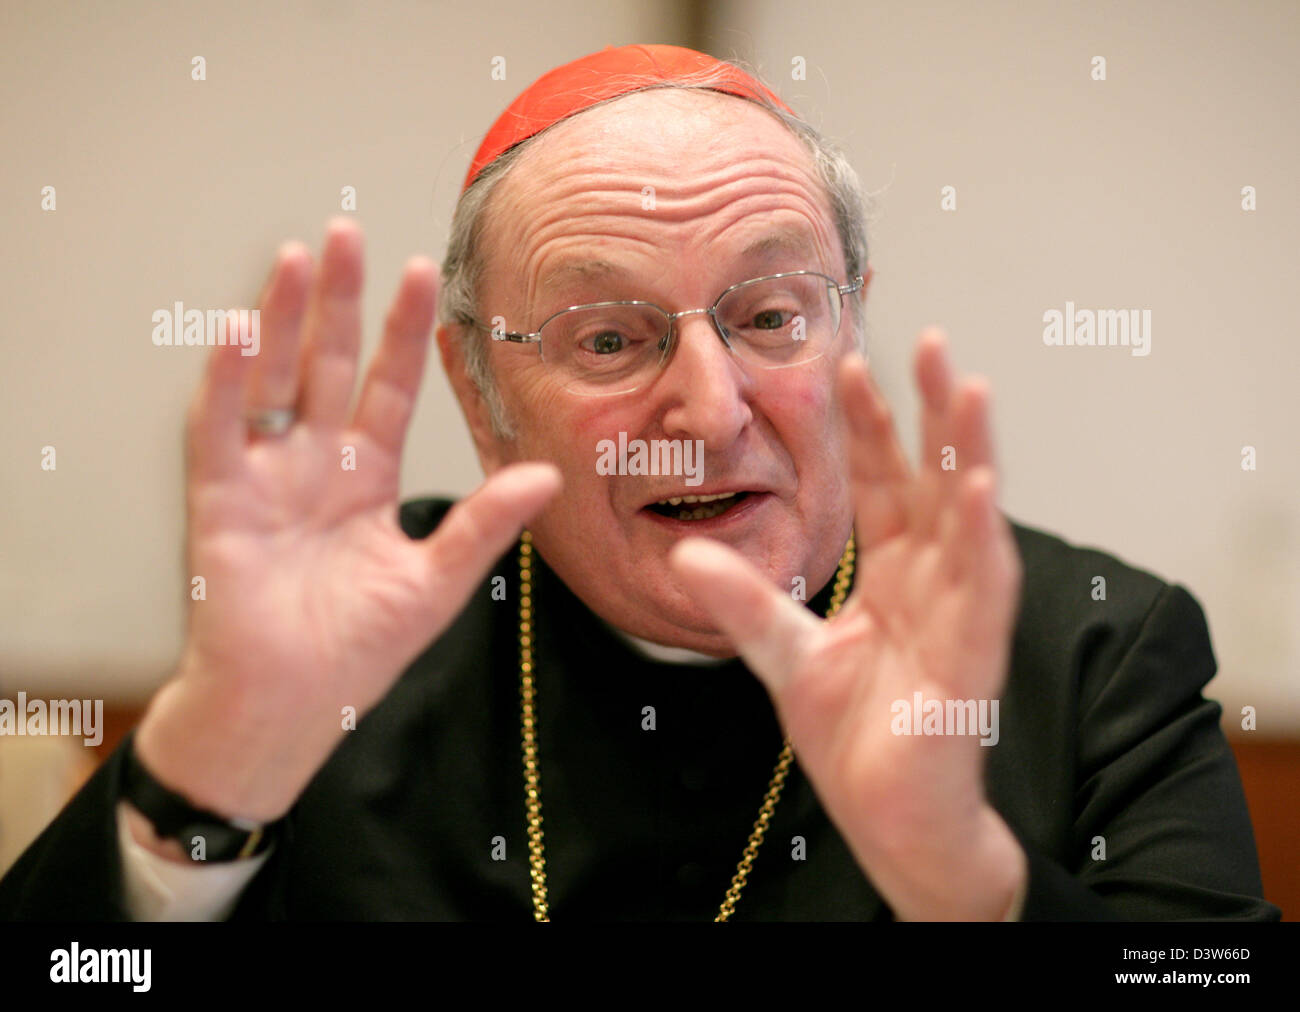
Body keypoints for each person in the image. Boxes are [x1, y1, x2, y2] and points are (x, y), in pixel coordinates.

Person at [0, 44, 1278, 922]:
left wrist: (969, 881)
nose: (708, 407)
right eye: (607, 338)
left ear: (853, 330)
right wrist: (199, 795)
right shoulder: (351, 645)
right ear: (481, 399)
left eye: (772, 313)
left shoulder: (1096, 647)